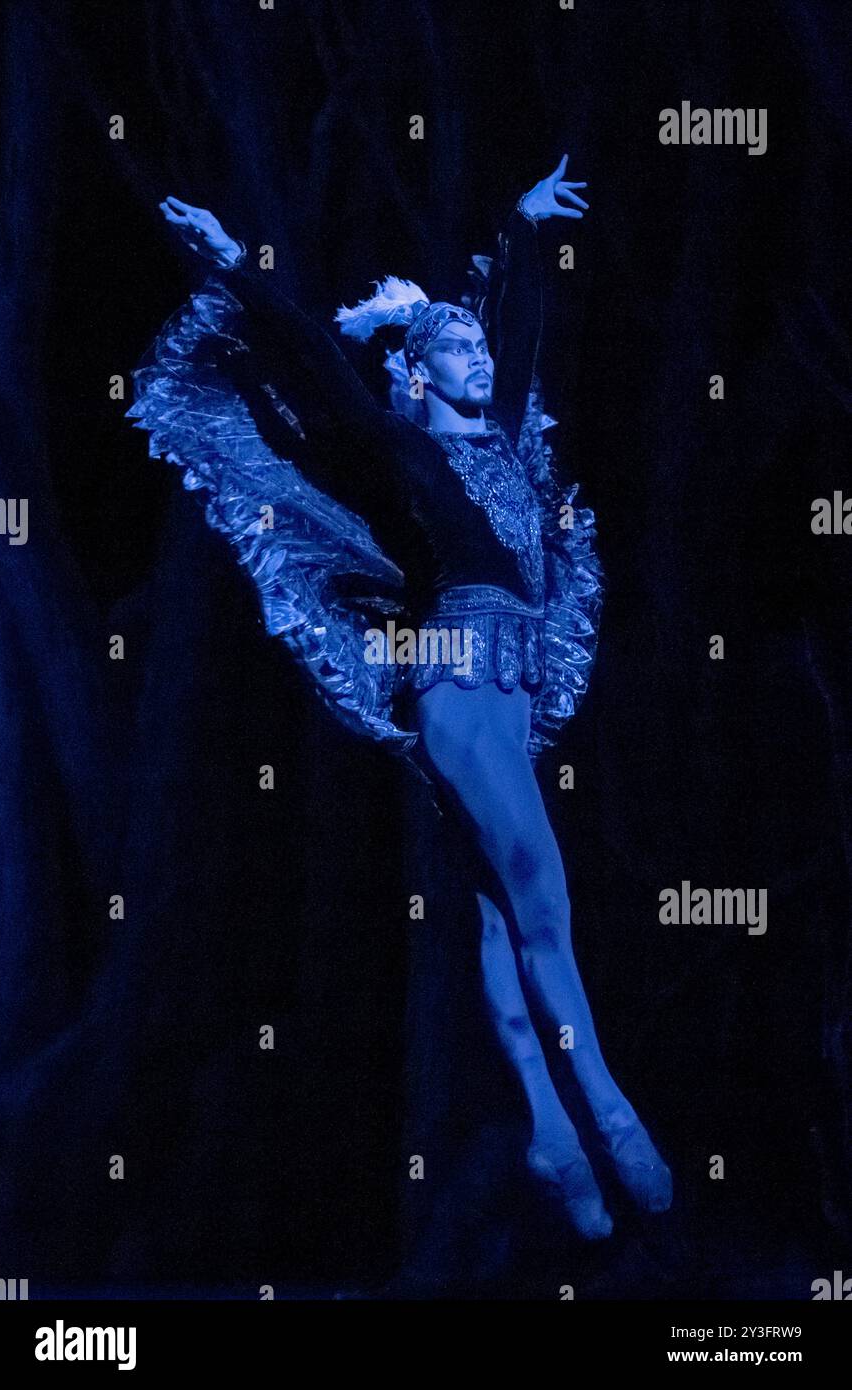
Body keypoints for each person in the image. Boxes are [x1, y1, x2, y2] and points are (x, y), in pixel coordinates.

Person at [134, 154, 672, 1241]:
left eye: (478, 344)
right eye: (455, 348)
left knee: (492, 913)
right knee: (543, 902)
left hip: (512, 683)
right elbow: (316, 365)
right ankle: (611, 1114)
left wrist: (519, 229)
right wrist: (237, 262)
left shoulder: (504, 430)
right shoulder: (403, 452)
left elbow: (516, 330)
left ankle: (547, 1133)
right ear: (419, 376)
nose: (478, 356)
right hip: (457, 680)